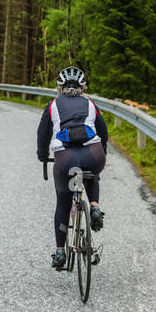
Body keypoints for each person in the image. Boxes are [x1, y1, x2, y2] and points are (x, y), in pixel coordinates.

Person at [36, 66, 107, 270]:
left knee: (63, 203)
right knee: (91, 174)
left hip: (65, 158)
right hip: (93, 153)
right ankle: (94, 207)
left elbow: (42, 135)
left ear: (60, 88)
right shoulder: (91, 104)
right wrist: (104, 153)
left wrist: (42, 156)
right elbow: (103, 131)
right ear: (83, 87)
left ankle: (60, 252)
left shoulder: (52, 106)